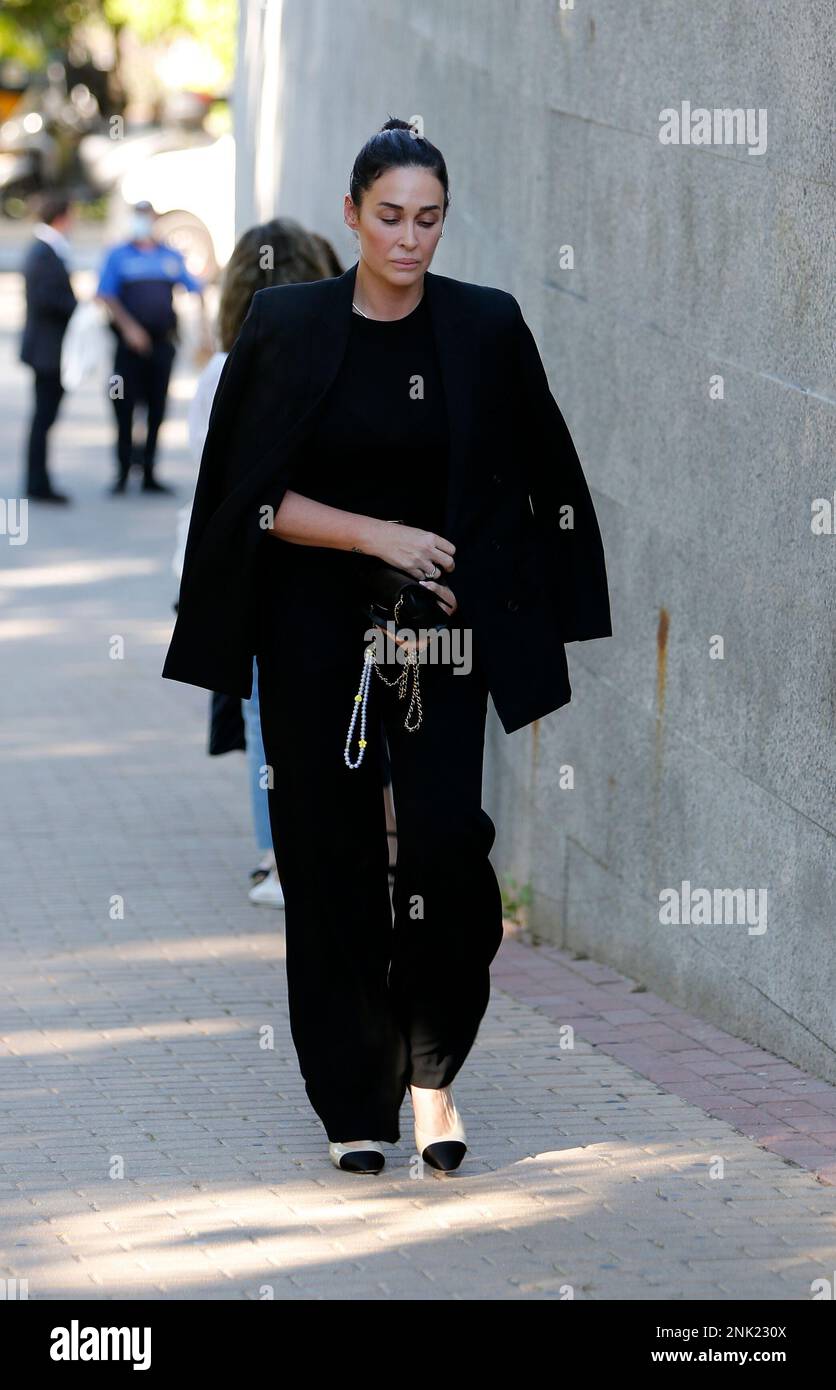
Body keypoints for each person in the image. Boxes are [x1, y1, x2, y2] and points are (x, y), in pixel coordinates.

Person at [162, 117, 613, 1176]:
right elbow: (247, 501)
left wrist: (509, 595)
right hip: (313, 629)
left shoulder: (484, 327)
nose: (410, 239)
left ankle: (431, 1074)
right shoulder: (286, 326)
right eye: (390, 217)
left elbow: (535, 474)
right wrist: (375, 534)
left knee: (450, 854)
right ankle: (352, 1100)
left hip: (440, 636)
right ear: (353, 214)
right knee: (330, 863)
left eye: (429, 220)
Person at [176, 218, 346, 909]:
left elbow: (203, 478)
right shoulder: (331, 357)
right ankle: (325, 855)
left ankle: (276, 860)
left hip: (238, 574)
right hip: (317, 567)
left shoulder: (220, 372)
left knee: (260, 720)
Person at [97, 200, 207, 494]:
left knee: (157, 408)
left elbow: (196, 288)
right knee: (124, 406)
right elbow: (106, 295)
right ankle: (122, 471)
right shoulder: (118, 255)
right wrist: (129, 328)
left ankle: (148, 472)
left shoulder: (169, 256)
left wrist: (205, 332)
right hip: (128, 347)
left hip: (161, 345)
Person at [19, 194, 78, 504]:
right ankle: (37, 483)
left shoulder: (49, 250)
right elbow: (47, 299)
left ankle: (38, 480)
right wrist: (77, 309)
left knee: (44, 419)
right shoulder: (44, 252)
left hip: (48, 349)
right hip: (46, 351)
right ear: (62, 217)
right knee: (43, 419)